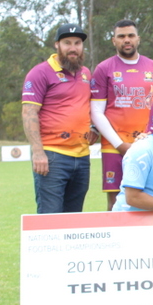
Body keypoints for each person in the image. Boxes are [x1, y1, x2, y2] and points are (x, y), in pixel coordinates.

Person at [91, 19, 153, 210]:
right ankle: (115, 240)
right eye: (121, 36)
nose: (127, 40)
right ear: (113, 41)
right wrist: (120, 145)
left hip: (149, 145)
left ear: (138, 39)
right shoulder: (104, 68)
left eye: (130, 36)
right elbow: (96, 111)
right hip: (115, 147)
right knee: (115, 200)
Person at [22, 23, 95, 214]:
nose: (73, 48)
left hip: (82, 157)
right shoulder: (40, 72)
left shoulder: (86, 73)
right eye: (67, 43)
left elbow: (91, 107)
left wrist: (94, 128)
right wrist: (38, 152)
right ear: (57, 45)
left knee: (73, 217)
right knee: (50, 217)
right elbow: (29, 113)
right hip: (52, 156)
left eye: (77, 43)